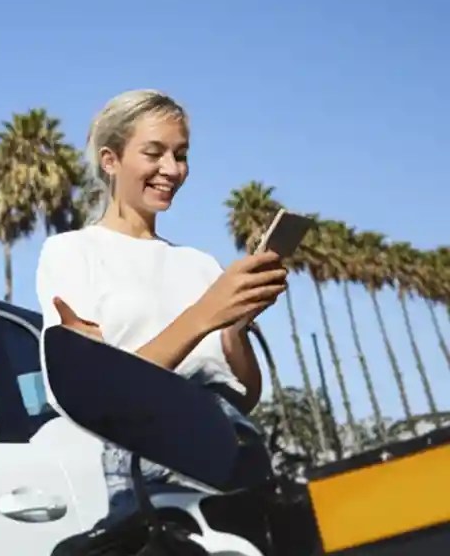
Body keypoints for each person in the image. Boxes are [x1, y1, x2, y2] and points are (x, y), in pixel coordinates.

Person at [34, 88, 287, 527]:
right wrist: (205, 314)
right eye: (154, 153)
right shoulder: (72, 253)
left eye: (181, 154)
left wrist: (234, 329)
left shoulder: (200, 264)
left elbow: (243, 397)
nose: (172, 169)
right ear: (110, 160)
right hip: (144, 468)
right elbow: (102, 393)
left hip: (232, 458)